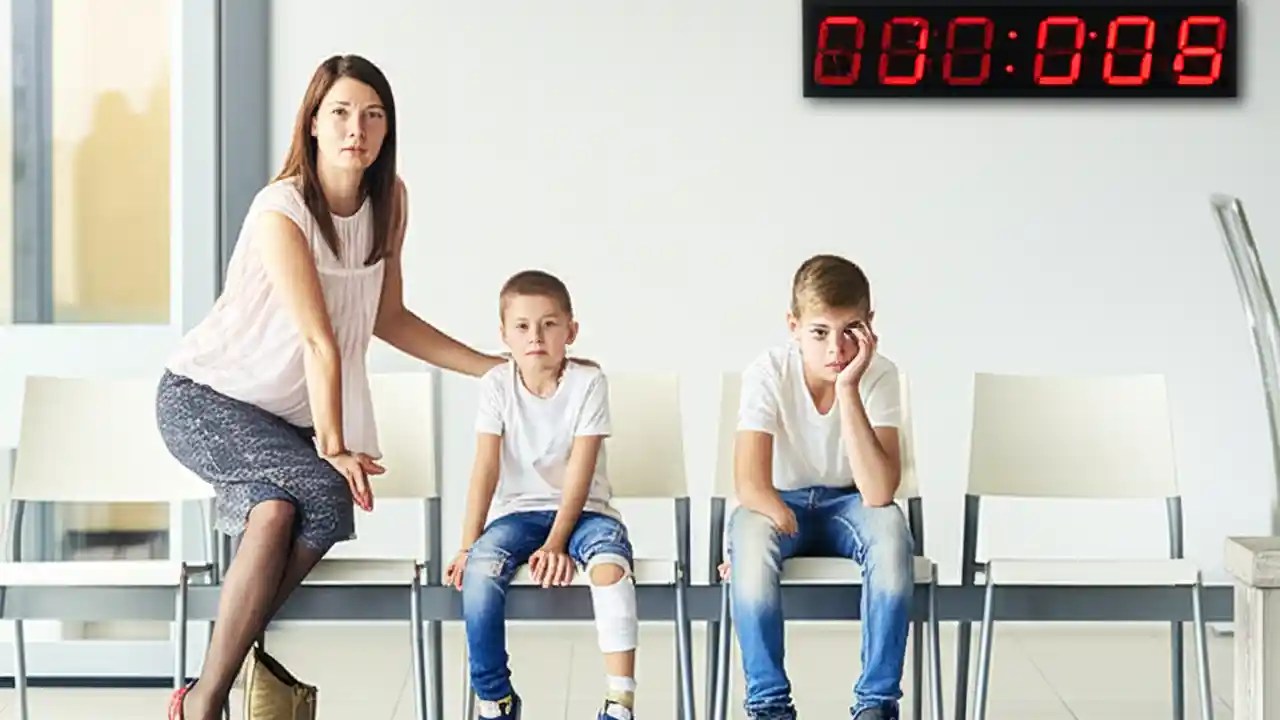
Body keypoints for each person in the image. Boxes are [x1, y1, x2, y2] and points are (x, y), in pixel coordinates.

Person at [156, 54, 502, 720]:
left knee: (289, 510)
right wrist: (335, 445)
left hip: (280, 424)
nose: (357, 129)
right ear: (312, 122)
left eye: (374, 115)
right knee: (322, 486)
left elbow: (387, 317)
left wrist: (491, 365)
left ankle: (204, 690)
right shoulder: (280, 210)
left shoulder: (388, 202)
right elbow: (319, 337)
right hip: (204, 398)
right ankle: (206, 700)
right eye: (341, 112)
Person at [723, 254, 914, 720]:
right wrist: (776, 516)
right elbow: (750, 481)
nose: (837, 349)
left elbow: (877, 493)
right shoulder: (767, 372)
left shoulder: (879, 375)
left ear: (870, 326)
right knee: (750, 547)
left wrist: (849, 388)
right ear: (793, 326)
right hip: (778, 501)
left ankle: (876, 703)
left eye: (851, 330)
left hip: (850, 503)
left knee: (891, 537)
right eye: (819, 332)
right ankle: (768, 705)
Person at [444, 270, 639, 720]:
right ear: (504, 335)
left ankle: (620, 701)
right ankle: (495, 699)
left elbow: (580, 472)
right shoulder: (496, 384)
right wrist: (468, 543)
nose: (536, 336)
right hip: (518, 514)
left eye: (549, 324)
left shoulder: (589, 382)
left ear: (571, 331)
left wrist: (556, 542)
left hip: (586, 511)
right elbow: (485, 468)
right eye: (523, 327)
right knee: (479, 572)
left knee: (611, 570)